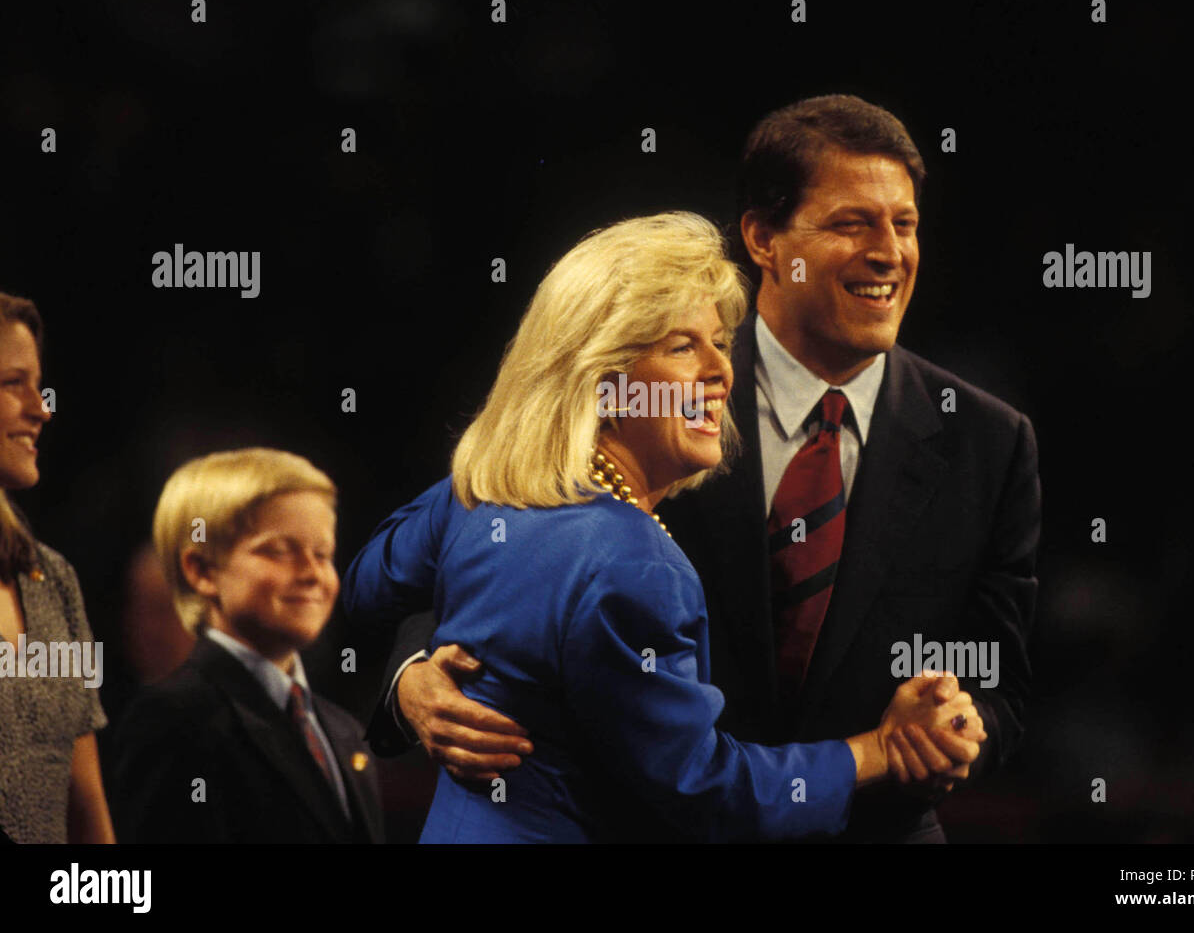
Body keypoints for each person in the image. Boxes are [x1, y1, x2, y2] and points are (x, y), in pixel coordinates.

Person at [375, 96, 1041, 843]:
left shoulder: (989, 443)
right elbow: (476, 541)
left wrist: (955, 729)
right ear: (763, 237)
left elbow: (1002, 686)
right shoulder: (651, 400)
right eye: (852, 223)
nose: (889, 251)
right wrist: (413, 679)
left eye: (905, 224)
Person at [110, 448, 383, 843]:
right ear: (202, 571)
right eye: (278, 551)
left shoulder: (345, 732)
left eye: (323, 554)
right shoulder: (173, 720)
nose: (311, 573)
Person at [0, 292, 116, 844]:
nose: (40, 408)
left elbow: (86, 807)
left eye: (37, 383)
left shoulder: (55, 583)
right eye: (10, 383)